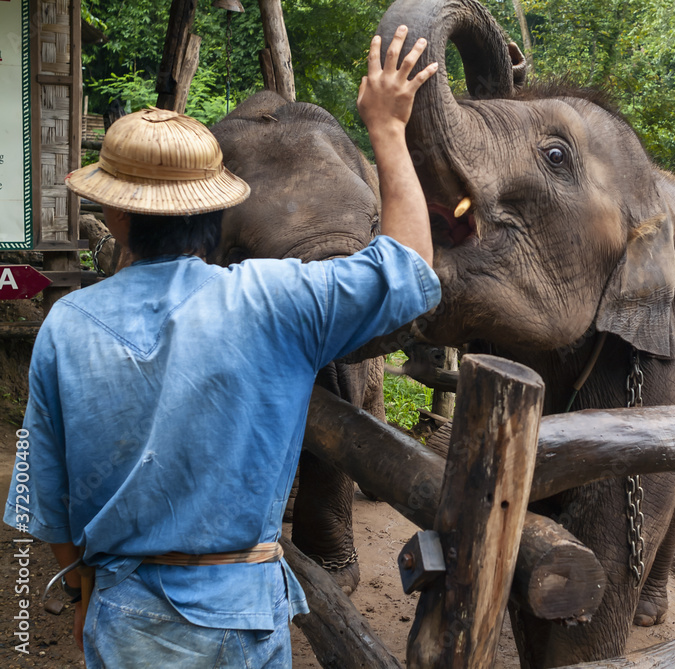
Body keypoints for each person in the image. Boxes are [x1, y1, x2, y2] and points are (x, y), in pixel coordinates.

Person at [4, 26, 439, 667]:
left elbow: (43, 500)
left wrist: (81, 594)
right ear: (217, 214)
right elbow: (409, 271)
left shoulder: (65, 325)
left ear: (116, 216)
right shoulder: (274, 300)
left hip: (123, 615)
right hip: (246, 618)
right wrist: (388, 129)